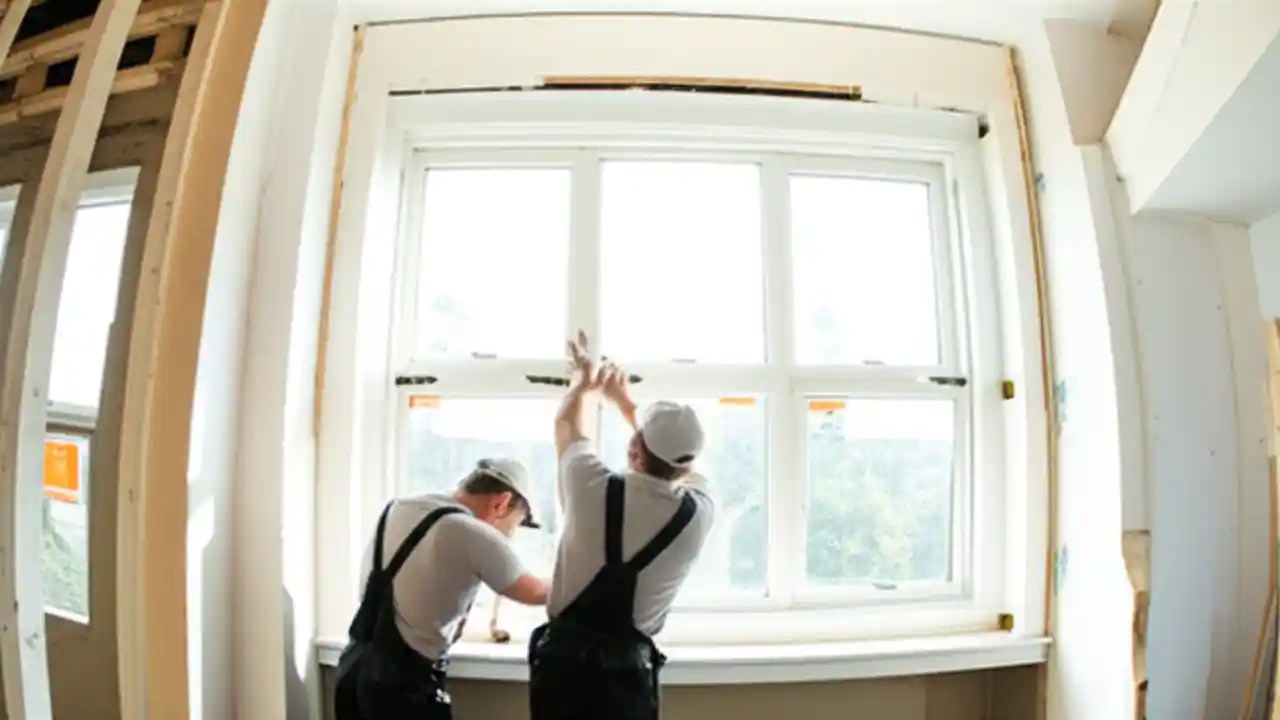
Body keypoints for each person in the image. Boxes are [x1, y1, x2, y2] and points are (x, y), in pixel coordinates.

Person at [529, 333, 715, 720]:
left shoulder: (590, 484)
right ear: (686, 465)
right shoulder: (698, 514)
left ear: (634, 449)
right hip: (627, 678)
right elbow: (685, 470)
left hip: (563, 670)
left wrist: (583, 384)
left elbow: (566, 427)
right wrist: (631, 411)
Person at [336, 458, 550, 720]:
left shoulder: (400, 508)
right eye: (516, 524)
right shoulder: (470, 531)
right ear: (501, 504)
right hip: (402, 688)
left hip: (352, 671)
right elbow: (534, 591)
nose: (510, 536)